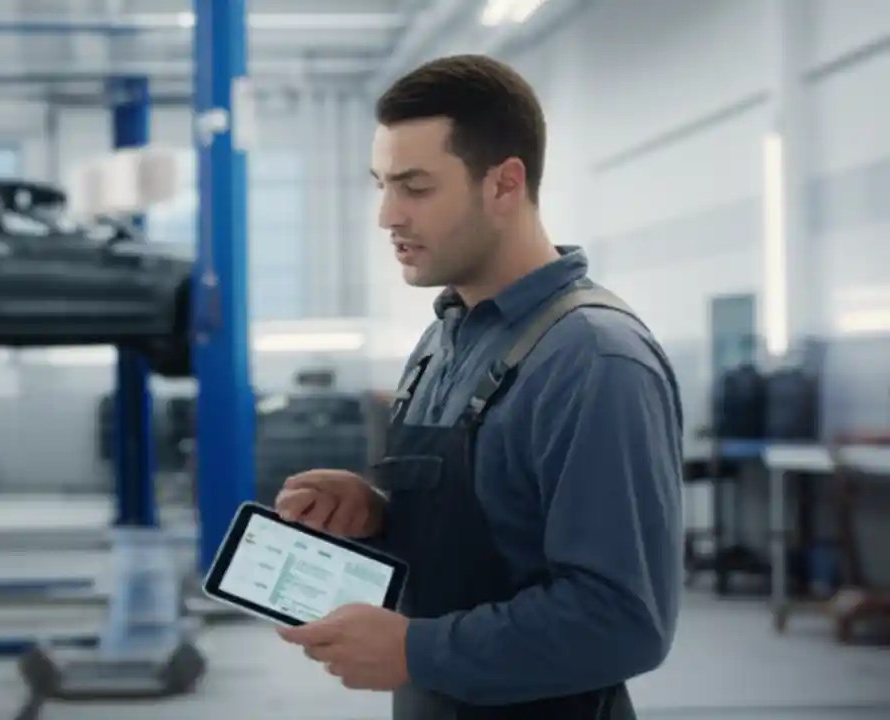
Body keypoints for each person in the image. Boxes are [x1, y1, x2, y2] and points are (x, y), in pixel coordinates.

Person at [274, 54, 684, 719]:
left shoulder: (594, 360)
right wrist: (378, 516)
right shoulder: (445, 338)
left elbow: (622, 620)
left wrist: (417, 652)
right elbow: (489, 542)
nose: (387, 215)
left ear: (504, 184)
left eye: (415, 187)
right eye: (381, 184)